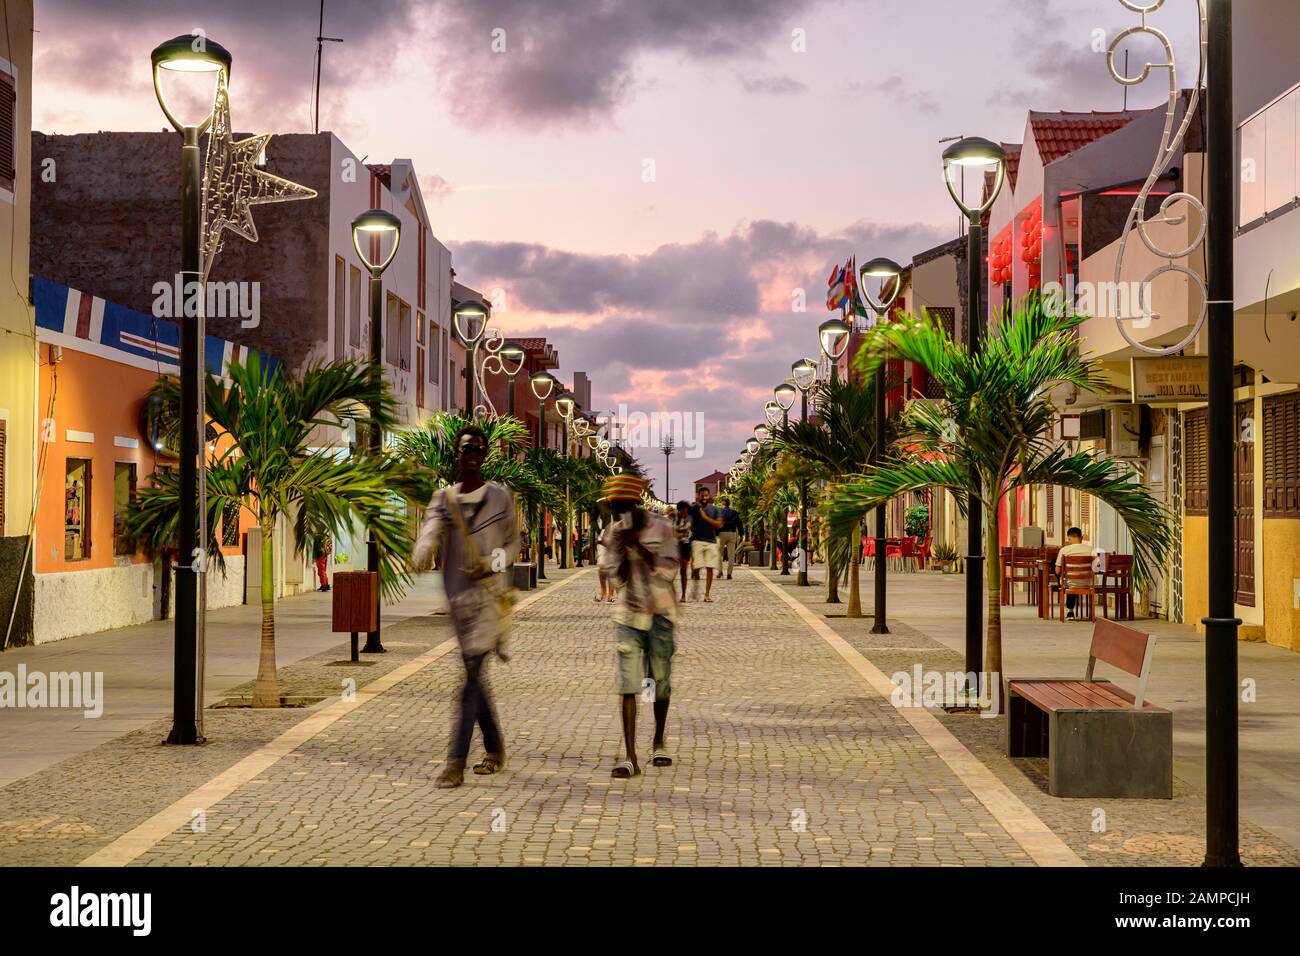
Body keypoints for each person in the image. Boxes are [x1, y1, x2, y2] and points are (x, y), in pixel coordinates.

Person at [413, 425, 520, 788]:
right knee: (476, 675)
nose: (472, 455)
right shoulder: (444, 499)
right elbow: (429, 532)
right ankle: (495, 748)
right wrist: (422, 552)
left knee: (471, 676)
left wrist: (492, 562)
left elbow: (515, 547)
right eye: (466, 450)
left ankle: (455, 761)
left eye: (478, 450)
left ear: (485, 456)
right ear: (456, 456)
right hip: (458, 601)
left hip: (490, 598)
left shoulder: (501, 497)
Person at [598, 474, 679, 778]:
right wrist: (622, 550)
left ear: (636, 503)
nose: (618, 515)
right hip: (629, 616)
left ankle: (658, 739)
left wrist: (640, 548)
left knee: (659, 681)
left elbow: (670, 571)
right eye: (614, 509)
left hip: (661, 614)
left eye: (622, 508)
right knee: (628, 685)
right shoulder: (612, 533)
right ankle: (630, 757)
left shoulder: (663, 527)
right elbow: (616, 579)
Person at [688, 487, 723, 602]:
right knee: (696, 568)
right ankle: (696, 586)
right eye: (702, 496)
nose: (704, 498)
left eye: (706, 496)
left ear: (709, 496)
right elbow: (688, 522)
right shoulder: (693, 509)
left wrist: (705, 518)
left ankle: (707, 594)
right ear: (698, 496)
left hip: (711, 541)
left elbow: (719, 524)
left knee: (710, 568)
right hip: (697, 540)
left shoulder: (715, 509)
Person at [1055, 526, 1095, 621]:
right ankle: (1090, 613)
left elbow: (1057, 571)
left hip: (1070, 583)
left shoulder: (1064, 550)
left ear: (1069, 538)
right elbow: (1099, 568)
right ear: (1081, 537)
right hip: (1089, 583)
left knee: (1068, 579)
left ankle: (1070, 611)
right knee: (1071, 579)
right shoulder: (1092, 550)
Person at [716, 496, 741, 580]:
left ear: (723, 504)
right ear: (729, 504)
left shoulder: (719, 512)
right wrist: (741, 533)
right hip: (732, 534)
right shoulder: (735, 513)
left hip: (721, 534)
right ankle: (729, 574)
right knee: (731, 555)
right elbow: (739, 524)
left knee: (719, 554)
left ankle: (720, 572)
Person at [673, 500, 692, 601]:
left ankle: (683, 594)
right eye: (683, 510)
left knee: (683, 569)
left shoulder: (689, 518)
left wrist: (677, 533)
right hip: (674, 545)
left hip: (685, 545)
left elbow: (687, 529)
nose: (684, 512)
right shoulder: (674, 518)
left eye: (686, 510)